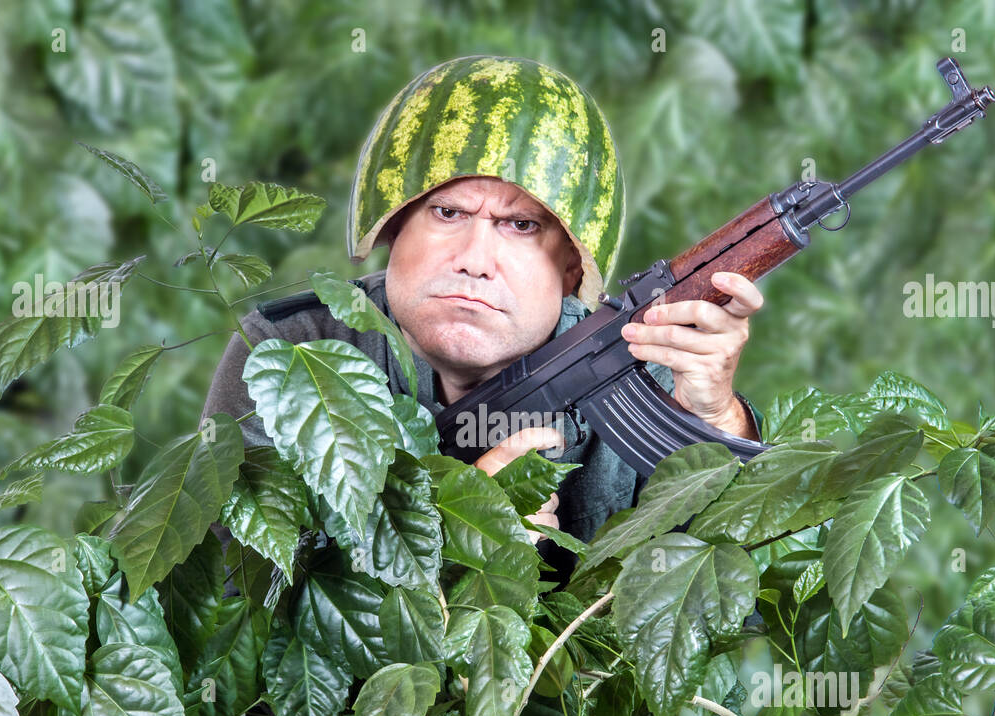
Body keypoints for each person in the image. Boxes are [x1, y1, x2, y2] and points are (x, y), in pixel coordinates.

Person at [201, 54, 766, 578]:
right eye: (447, 212)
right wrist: (453, 553)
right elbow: (234, 607)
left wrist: (718, 421)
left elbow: (733, 607)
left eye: (521, 226)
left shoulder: (647, 367)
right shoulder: (286, 356)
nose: (474, 261)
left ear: (573, 266)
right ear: (394, 227)